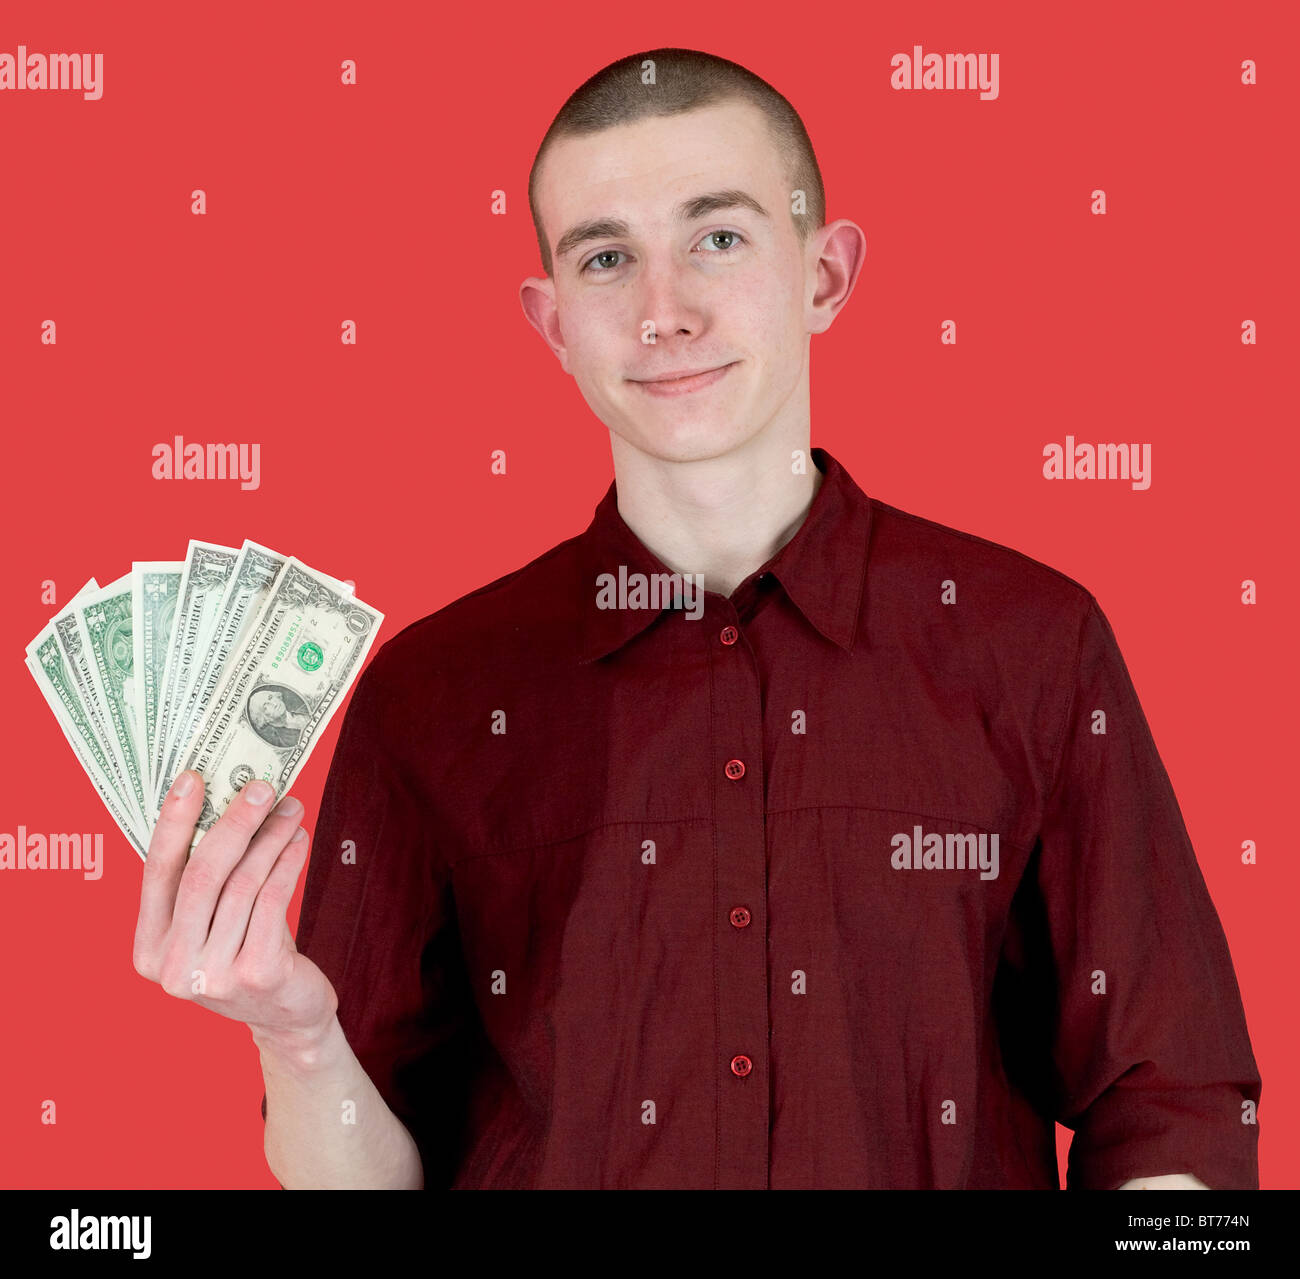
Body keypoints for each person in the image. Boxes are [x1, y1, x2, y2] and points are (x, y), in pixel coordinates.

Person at [132, 47, 1261, 1190]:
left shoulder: (1028, 640)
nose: (662, 313)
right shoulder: (433, 693)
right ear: (553, 320)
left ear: (824, 273)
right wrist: (295, 1032)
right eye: (607, 257)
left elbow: (1175, 1103)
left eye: (717, 237)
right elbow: (371, 1178)